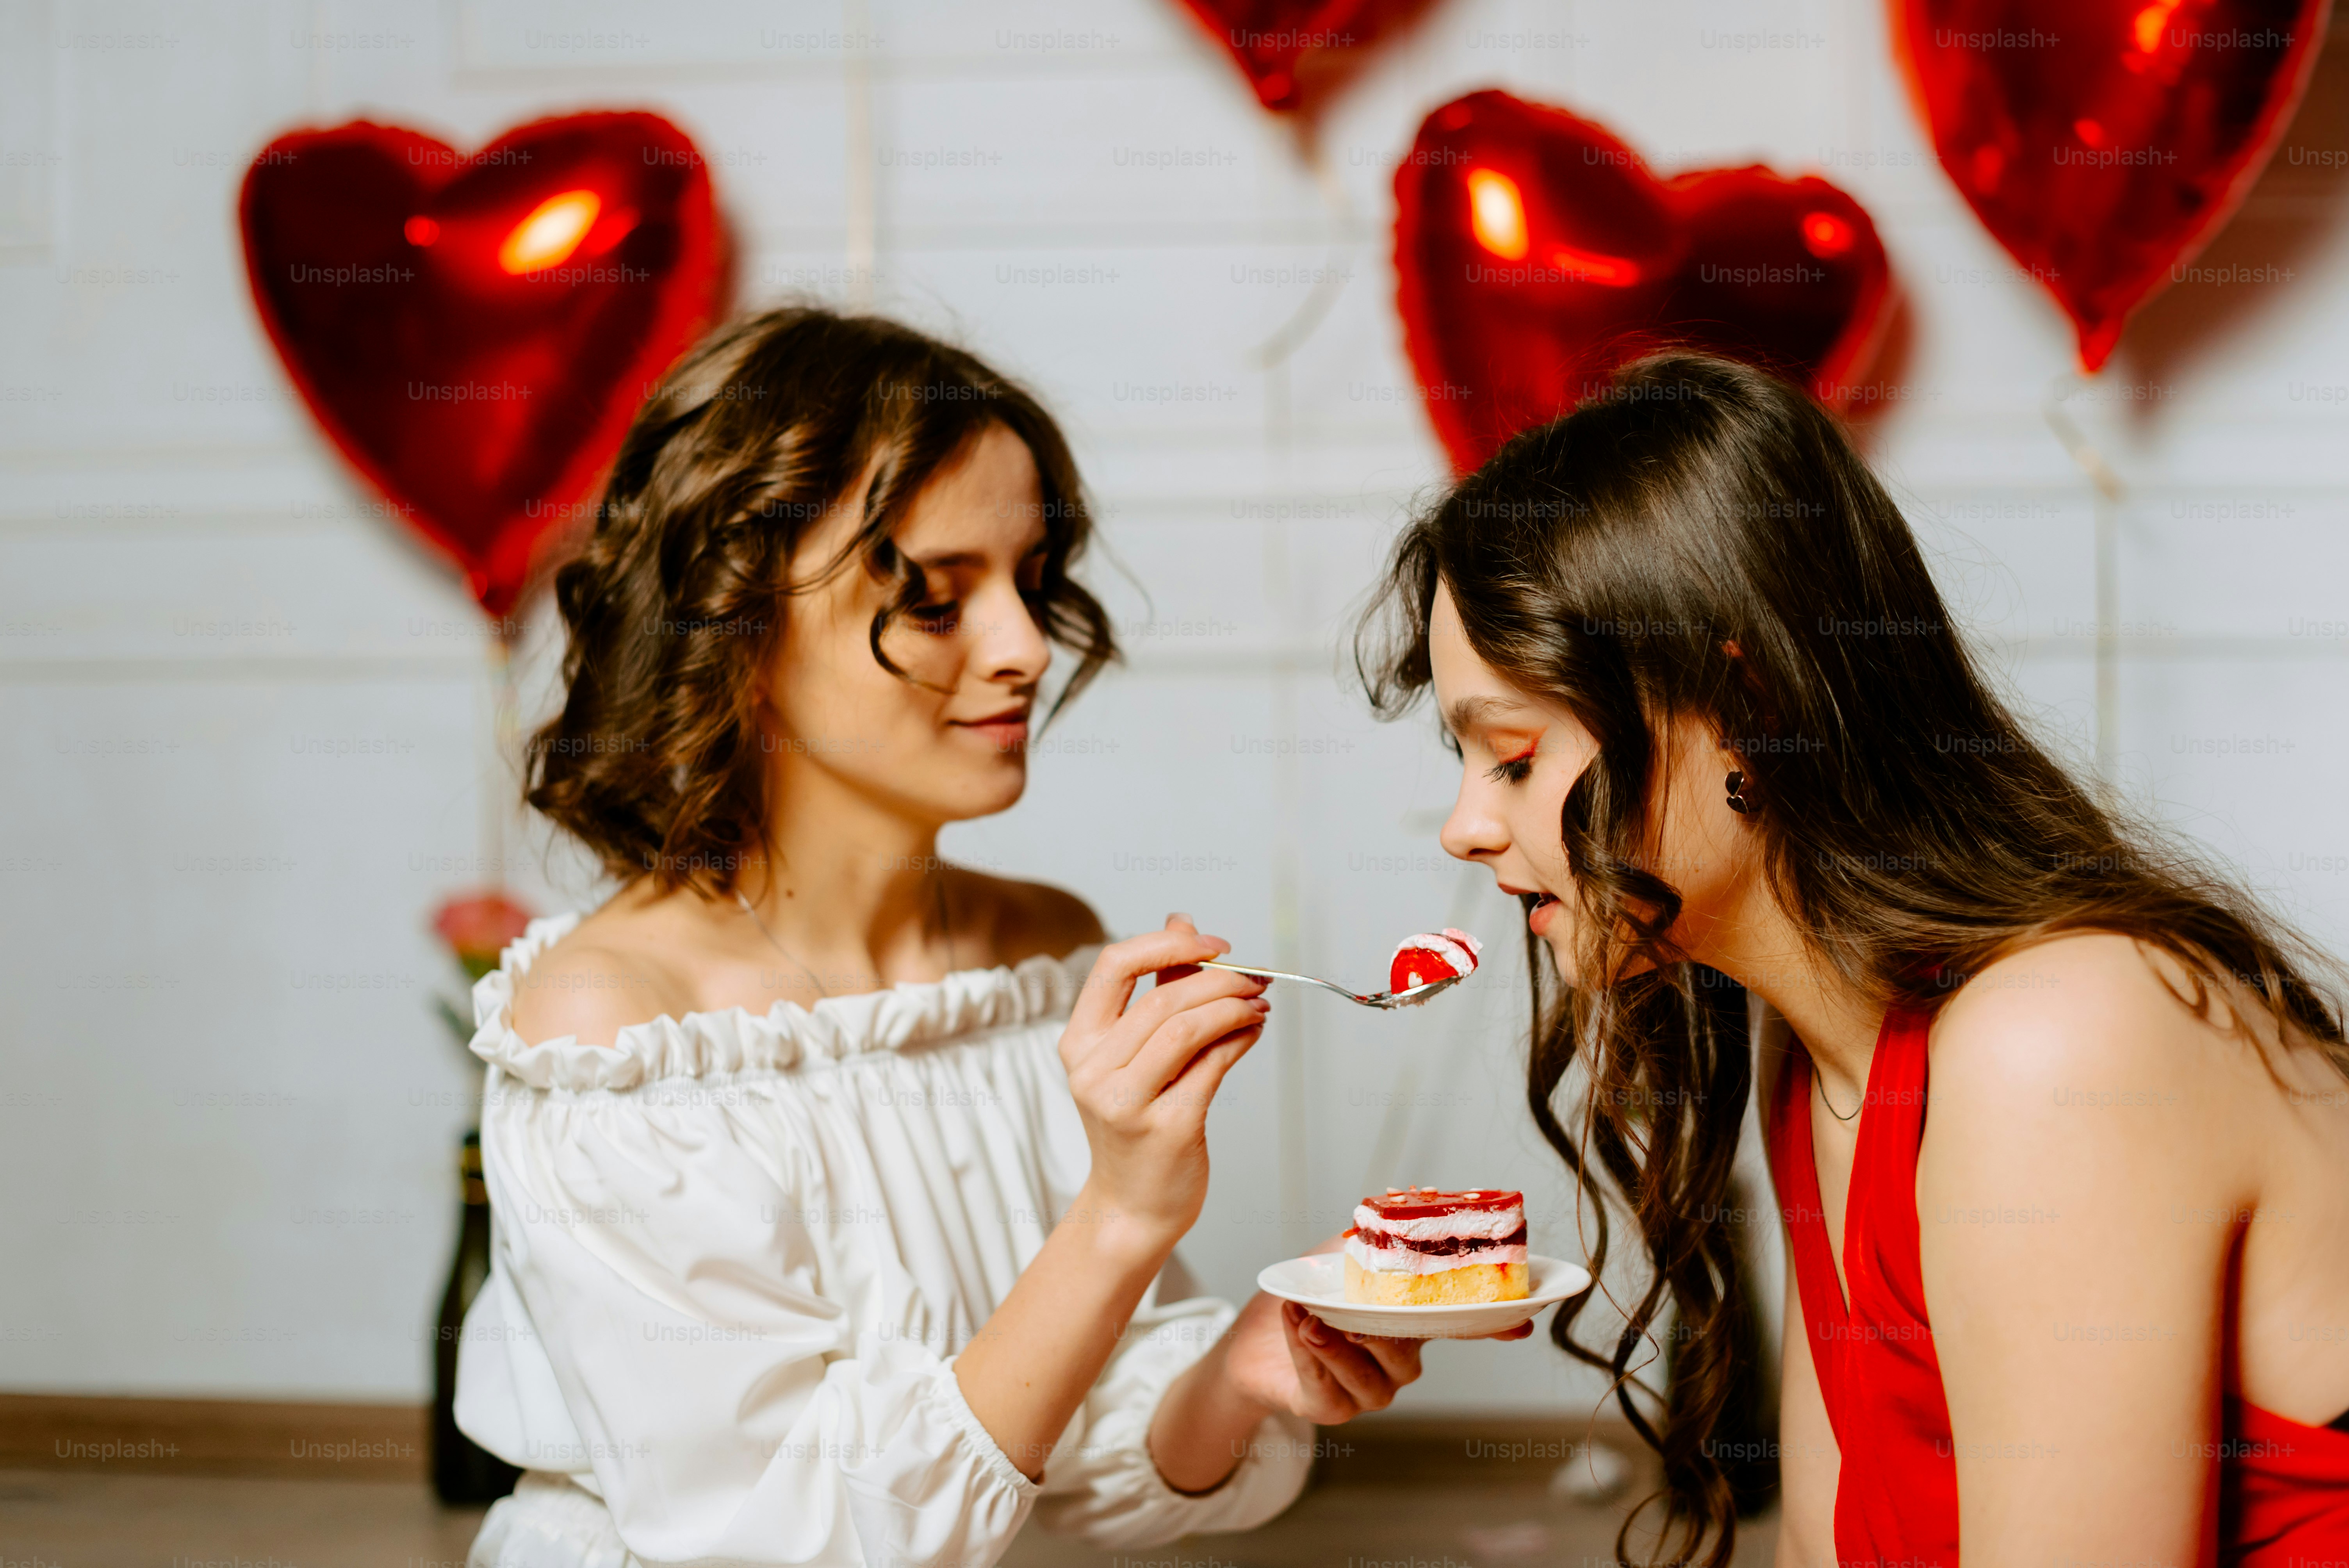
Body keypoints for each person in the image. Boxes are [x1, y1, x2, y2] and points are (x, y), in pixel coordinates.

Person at [454, 306, 1429, 1568]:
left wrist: (1239, 1373)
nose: (1025, 648)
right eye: (934, 598)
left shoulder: (1040, 961)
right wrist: (1121, 1219)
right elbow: (796, 1536)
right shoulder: (615, 1034)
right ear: (736, 621)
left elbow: (1071, 1453)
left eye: (1029, 581)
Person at [1357, 351, 2349, 1567]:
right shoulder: (1817, 1048)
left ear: (1751, 709)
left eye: (1513, 756)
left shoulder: (2057, 1044)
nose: (1466, 826)